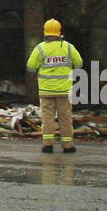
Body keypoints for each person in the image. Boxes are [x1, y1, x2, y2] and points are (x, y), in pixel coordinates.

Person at [26, 18, 83, 154]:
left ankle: (48, 145)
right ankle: (68, 146)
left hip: (46, 91)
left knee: (47, 118)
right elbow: (79, 63)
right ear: (59, 32)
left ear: (45, 32)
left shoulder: (40, 48)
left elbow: (30, 67)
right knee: (65, 117)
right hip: (64, 90)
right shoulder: (68, 47)